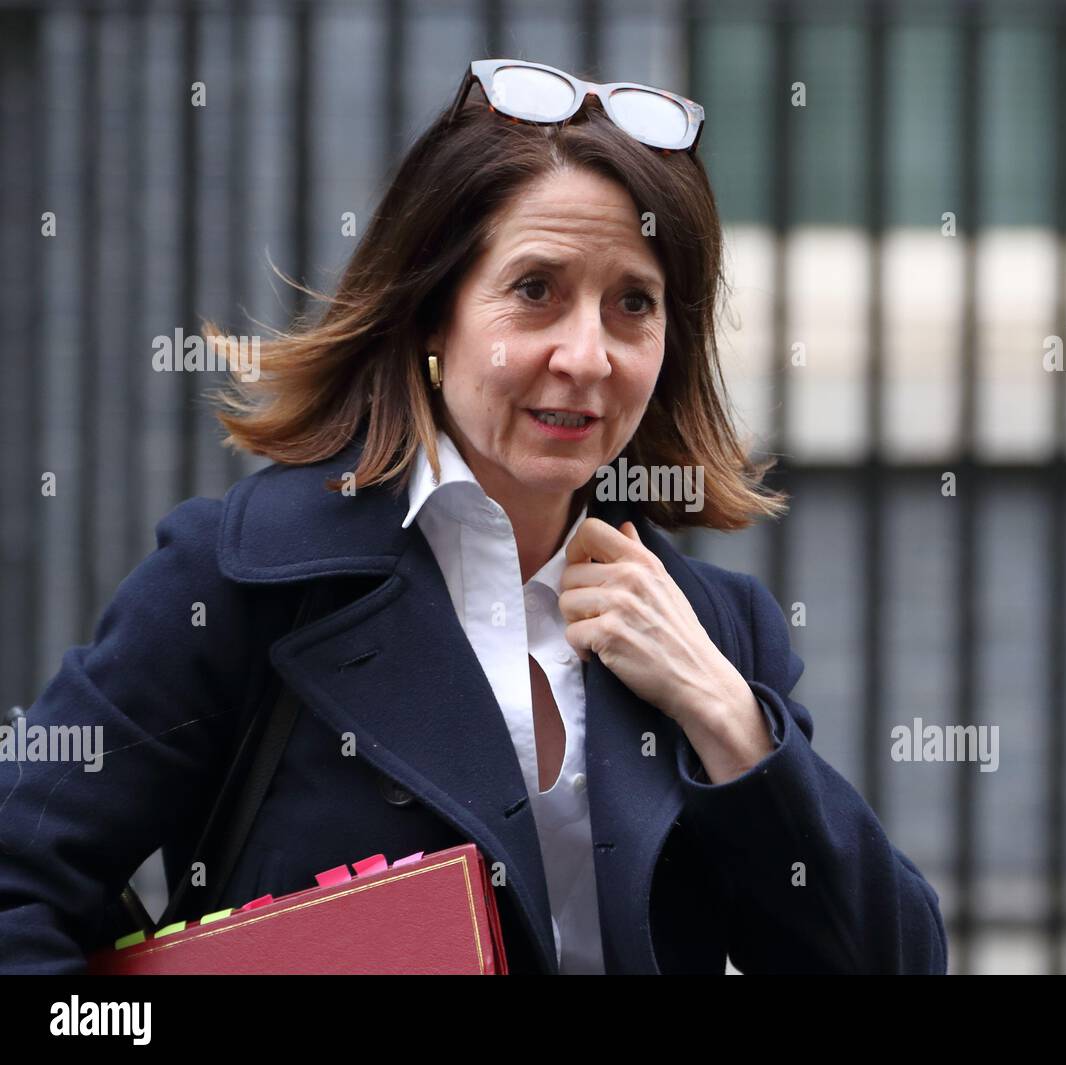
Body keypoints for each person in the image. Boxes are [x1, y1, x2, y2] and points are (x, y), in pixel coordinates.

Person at [0, 58, 947, 974]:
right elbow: (20, 891)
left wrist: (732, 717)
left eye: (634, 305)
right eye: (535, 291)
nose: (587, 355)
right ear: (429, 315)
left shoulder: (714, 631)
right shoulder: (240, 580)